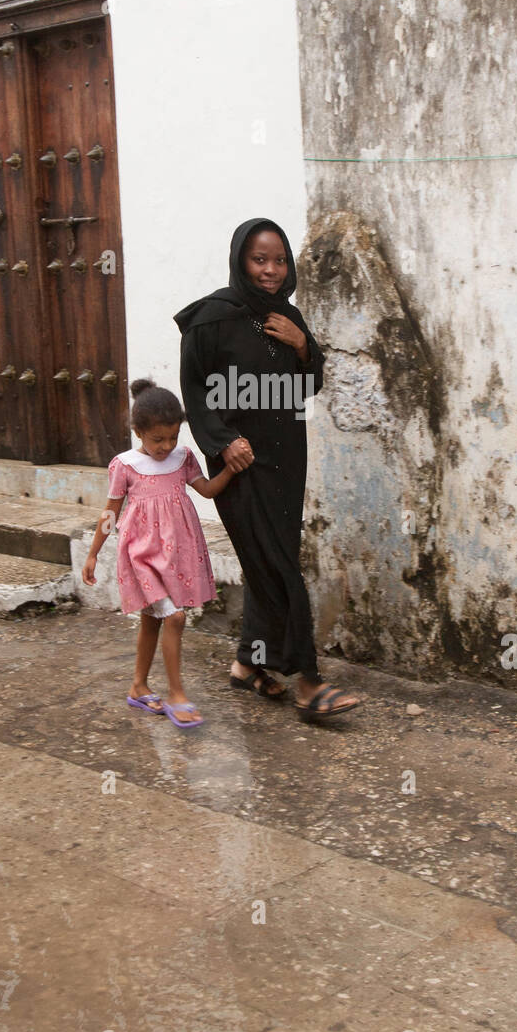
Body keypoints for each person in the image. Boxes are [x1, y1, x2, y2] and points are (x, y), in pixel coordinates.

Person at [174, 218, 360, 724]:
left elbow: (308, 385)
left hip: (286, 461)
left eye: (279, 260)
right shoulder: (211, 320)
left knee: (266, 563)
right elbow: (195, 392)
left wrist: (303, 346)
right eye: (260, 259)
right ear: (241, 260)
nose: (271, 270)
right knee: (278, 567)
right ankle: (308, 681)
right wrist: (221, 443)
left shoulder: (287, 316)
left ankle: (247, 664)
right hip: (240, 464)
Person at [82, 378, 244, 728]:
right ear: (138, 431)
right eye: (158, 439)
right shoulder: (124, 465)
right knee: (174, 617)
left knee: (153, 619)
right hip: (141, 555)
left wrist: (231, 468)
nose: (166, 445)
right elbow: (110, 512)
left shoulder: (183, 458)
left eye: (173, 437)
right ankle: (176, 694)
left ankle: (139, 686)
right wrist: (94, 553)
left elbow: (208, 490)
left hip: (174, 558)